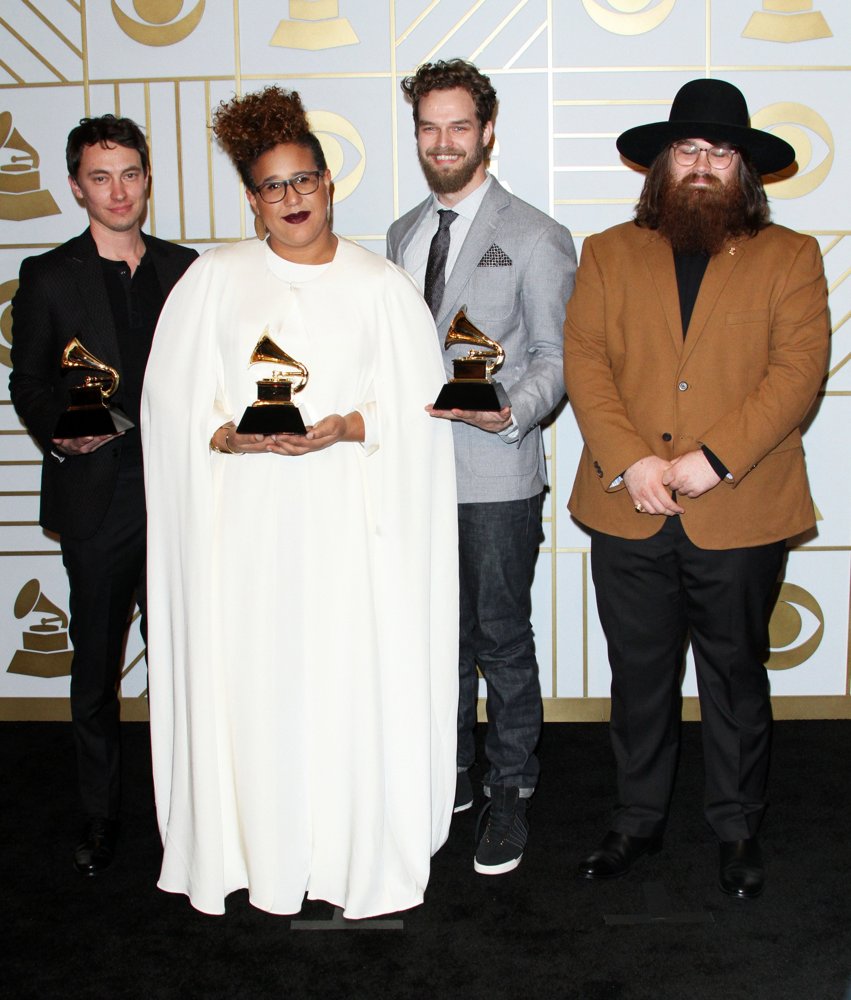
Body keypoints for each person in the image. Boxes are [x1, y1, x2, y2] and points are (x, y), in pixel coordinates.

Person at [140, 86, 459, 918]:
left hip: (345, 530)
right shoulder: (212, 281)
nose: (293, 200)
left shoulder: (381, 287)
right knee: (254, 685)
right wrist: (228, 437)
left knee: (339, 681)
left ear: (328, 183)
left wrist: (349, 423)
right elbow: (172, 409)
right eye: (273, 187)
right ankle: (253, 851)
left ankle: (342, 851)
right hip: (243, 531)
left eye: (305, 180)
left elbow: (418, 415)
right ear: (251, 199)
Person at [563, 78, 829, 898]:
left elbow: (795, 375)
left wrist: (715, 459)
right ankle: (635, 822)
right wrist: (631, 462)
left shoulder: (791, 256)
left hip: (740, 508)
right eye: (689, 148)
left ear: (743, 169)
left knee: (733, 678)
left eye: (720, 151)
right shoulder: (606, 251)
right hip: (626, 505)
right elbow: (586, 365)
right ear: (661, 165)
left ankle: (736, 828)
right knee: (637, 677)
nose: (704, 164)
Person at [387, 59, 576, 875]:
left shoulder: (536, 235)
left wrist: (512, 410)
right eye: (428, 127)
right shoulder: (399, 235)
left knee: (500, 640)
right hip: (415, 479)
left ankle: (510, 792)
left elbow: (555, 355)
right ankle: (454, 773)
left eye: (458, 126)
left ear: (487, 131)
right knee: (438, 642)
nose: (442, 141)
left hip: (496, 476)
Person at [9, 115, 197, 876]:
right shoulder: (48, 275)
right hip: (97, 499)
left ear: (148, 178)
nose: (117, 191)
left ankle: (189, 811)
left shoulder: (189, 269)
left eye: (129, 173)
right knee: (95, 668)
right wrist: (63, 432)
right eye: (99, 176)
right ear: (75, 185)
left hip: (184, 495)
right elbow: (29, 382)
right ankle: (98, 816)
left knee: (187, 662)